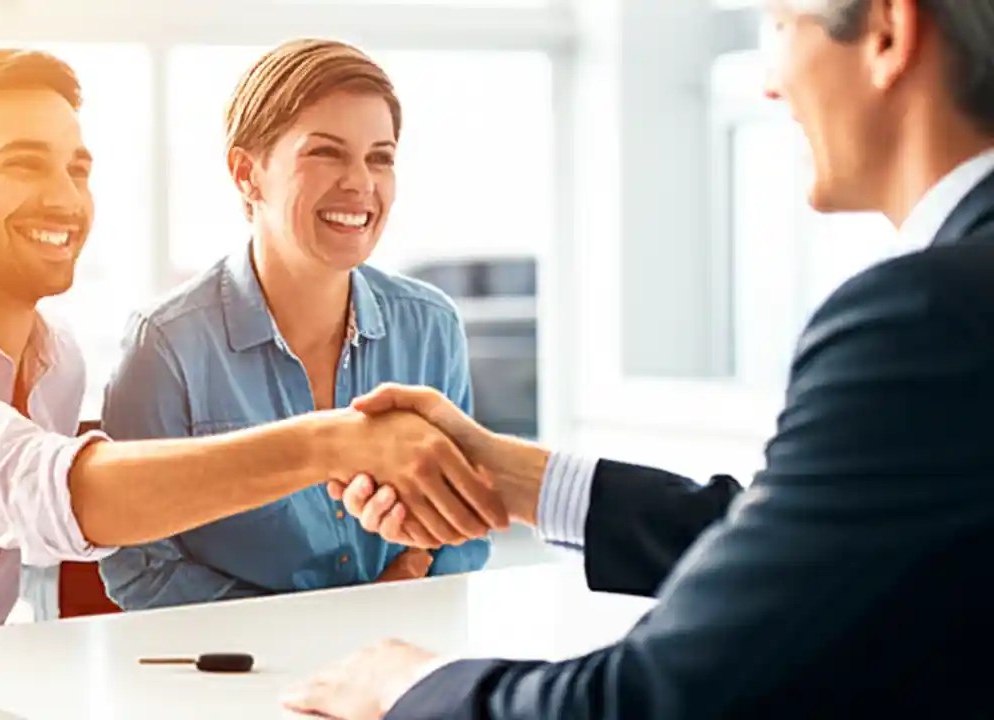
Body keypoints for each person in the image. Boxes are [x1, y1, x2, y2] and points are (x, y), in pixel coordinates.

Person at [283, 0, 994, 717]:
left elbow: (655, 698)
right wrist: (514, 479)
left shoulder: (925, 316)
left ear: (886, 32)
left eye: (779, 25)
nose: (769, 83)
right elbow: (818, 542)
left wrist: (408, 686)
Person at [0, 48, 505, 654]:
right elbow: (45, 498)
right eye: (24, 163)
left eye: (78, 167)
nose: (65, 196)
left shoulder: (57, 359)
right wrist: (332, 441)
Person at [97, 39, 490, 612]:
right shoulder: (167, 345)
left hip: (403, 650)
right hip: (239, 671)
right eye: (327, 153)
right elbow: (139, 564)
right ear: (246, 173)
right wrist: (308, 627)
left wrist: (403, 591)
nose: (361, 182)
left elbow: (466, 518)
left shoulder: (430, 327)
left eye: (380, 157)